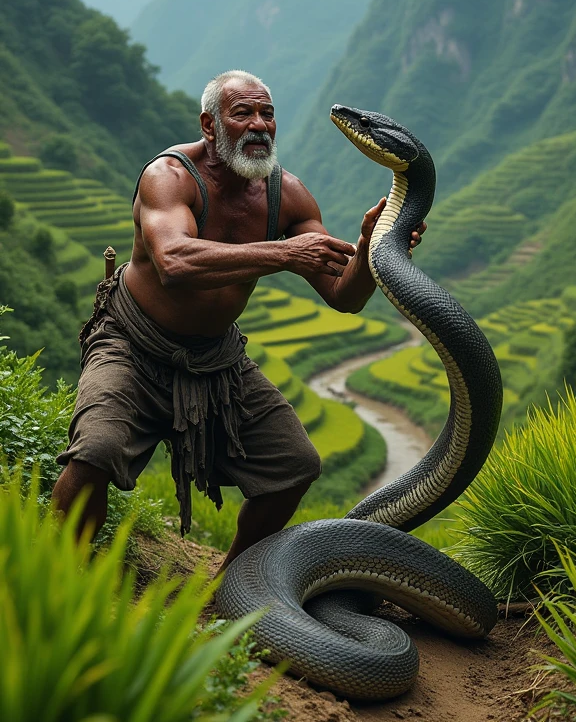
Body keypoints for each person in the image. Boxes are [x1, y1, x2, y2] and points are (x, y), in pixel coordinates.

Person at [52, 69, 425, 572]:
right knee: (95, 452)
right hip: (133, 344)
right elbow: (174, 262)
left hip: (216, 358)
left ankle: (231, 583)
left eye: (267, 114)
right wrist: (284, 253)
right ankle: (58, 574)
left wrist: (371, 246)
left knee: (294, 467)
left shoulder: (287, 195)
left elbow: (344, 295)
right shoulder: (170, 176)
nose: (259, 125)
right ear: (210, 125)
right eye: (242, 113)